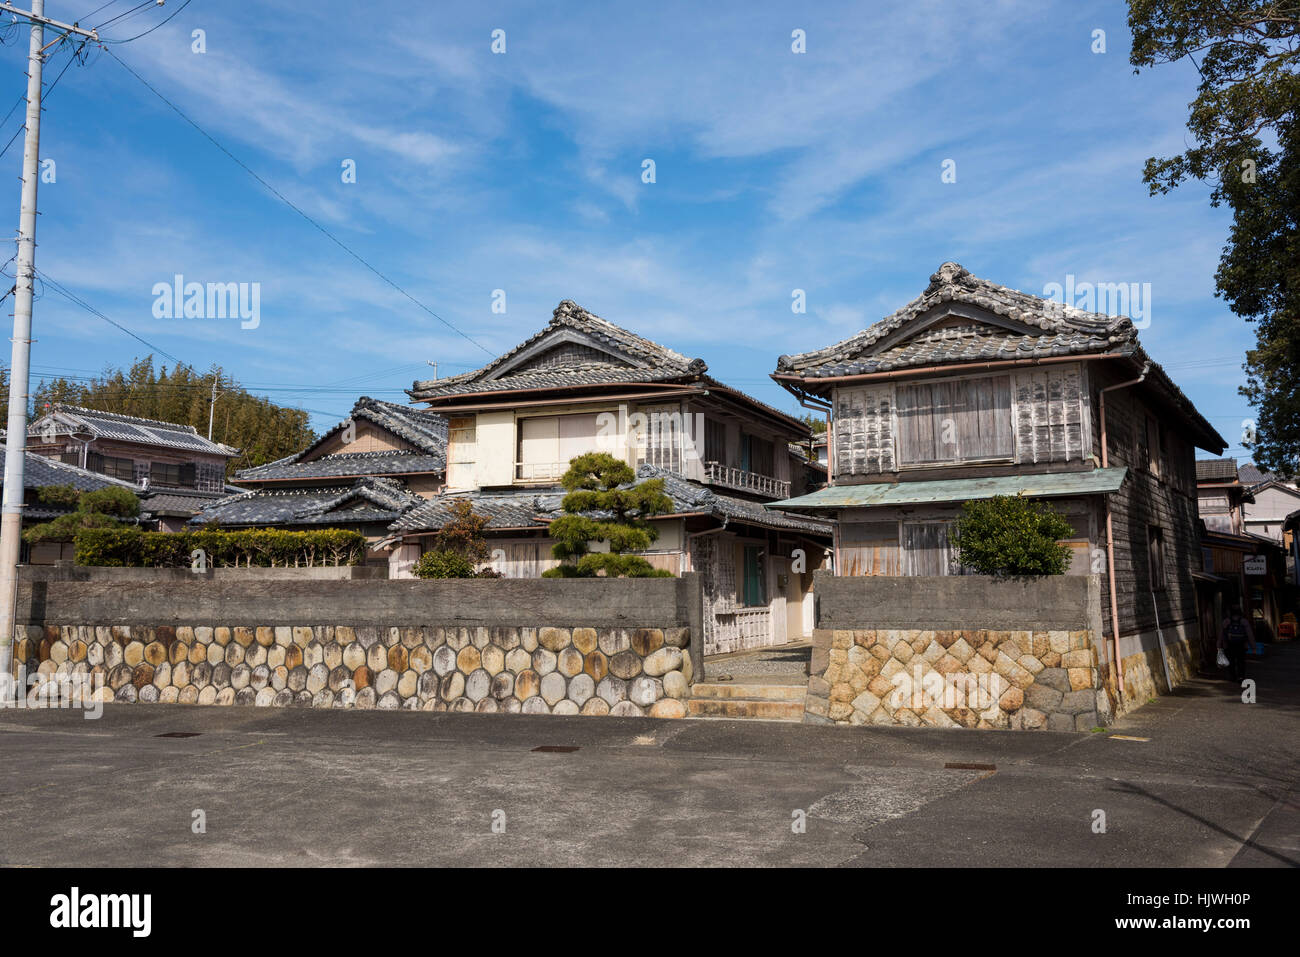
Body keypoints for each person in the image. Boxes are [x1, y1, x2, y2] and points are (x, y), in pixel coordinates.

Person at [1218, 604, 1258, 682]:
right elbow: (1250, 634)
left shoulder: (1226, 621)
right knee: (1241, 661)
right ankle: (1241, 676)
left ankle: (1232, 676)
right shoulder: (1244, 621)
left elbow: (1221, 634)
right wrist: (1253, 647)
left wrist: (1219, 645)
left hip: (1229, 645)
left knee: (1231, 661)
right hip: (1241, 645)